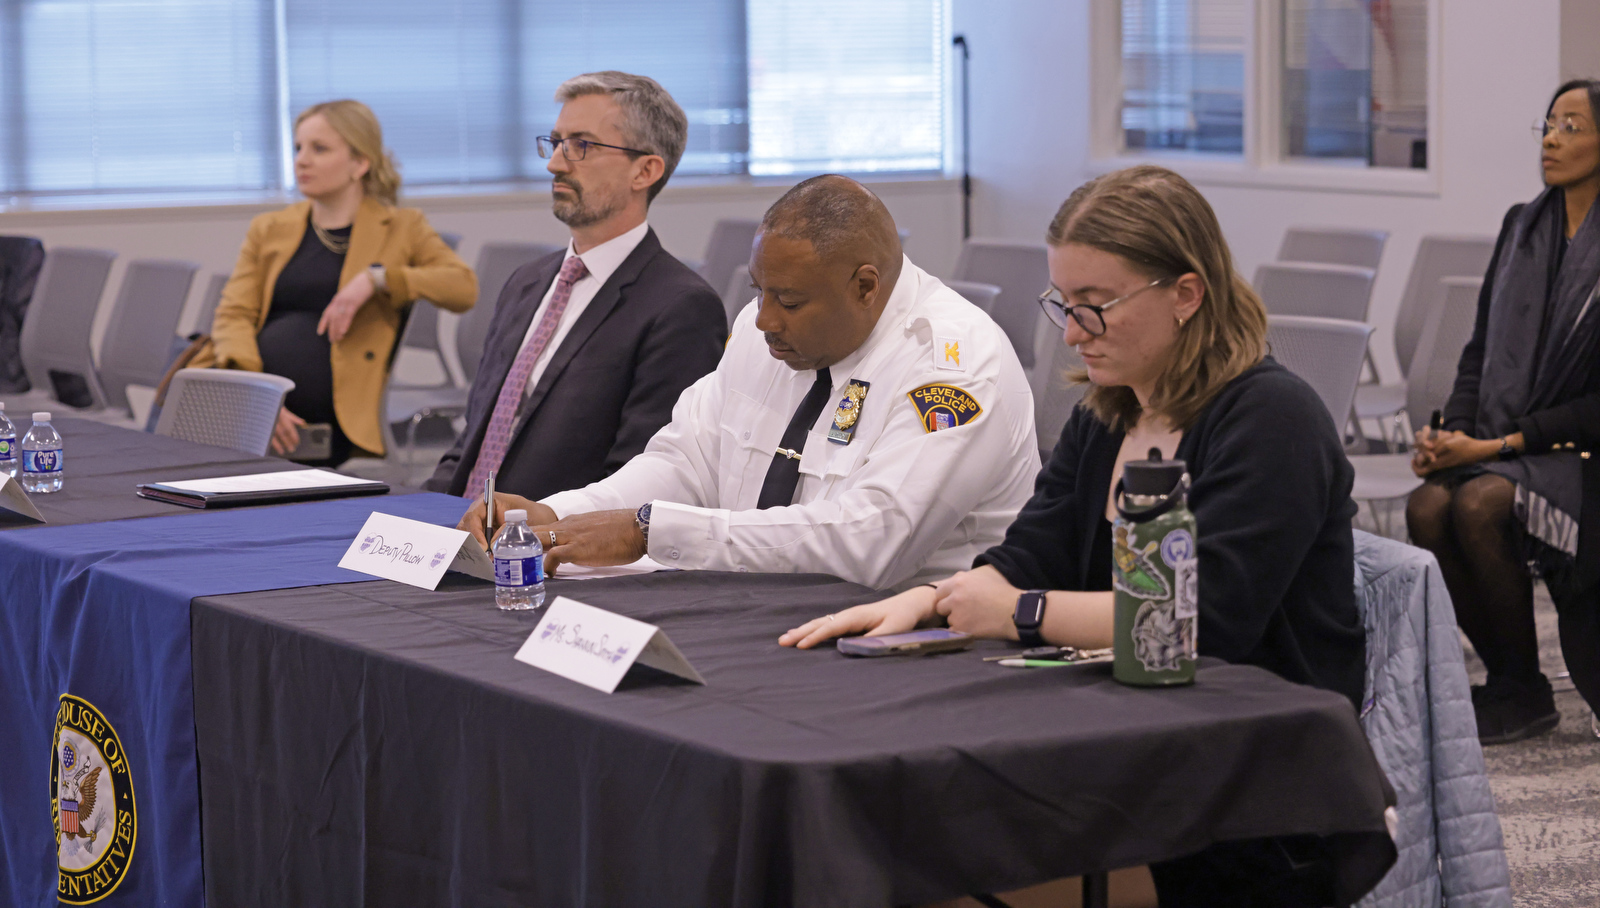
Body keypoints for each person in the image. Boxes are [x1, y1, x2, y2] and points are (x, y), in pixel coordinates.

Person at [781, 165, 1367, 905]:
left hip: (1250, 793)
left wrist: (1021, 613)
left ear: (1186, 294)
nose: (1074, 331)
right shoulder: (1109, 412)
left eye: (1097, 306)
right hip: (1132, 747)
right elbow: (1028, 553)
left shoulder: (1273, 420)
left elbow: (1195, 624)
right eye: (1064, 303)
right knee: (887, 850)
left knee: (921, 878)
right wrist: (935, 598)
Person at [458, 174, 1039, 590]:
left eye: (787, 300)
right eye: (760, 291)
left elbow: (872, 542)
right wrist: (563, 516)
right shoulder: (767, 330)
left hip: (909, 640)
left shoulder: (952, 366)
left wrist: (652, 532)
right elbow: (688, 461)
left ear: (866, 286)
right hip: (758, 610)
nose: (763, 319)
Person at [423, 72, 726, 500]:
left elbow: (642, 480)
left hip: (552, 551)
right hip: (462, 530)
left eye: (580, 145)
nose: (555, 163)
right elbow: (473, 441)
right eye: (556, 141)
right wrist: (424, 517)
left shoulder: (681, 308)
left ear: (645, 170)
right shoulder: (526, 283)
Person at [1407, 79, 1600, 744]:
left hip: (1580, 458)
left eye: (1572, 126)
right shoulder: (1522, 225)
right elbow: (1481, 348)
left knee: (1480, 503)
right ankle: (1518, 684)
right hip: (1510, 446)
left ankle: (1521, 686)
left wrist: (1495, 449)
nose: (1551, 139)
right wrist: (1452, 433)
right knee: (1427, 505)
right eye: (1548, 124)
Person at [204, 99, 477, 466]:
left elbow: (462, 287)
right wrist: (259, 398)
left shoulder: (402, 227)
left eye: (319, 149)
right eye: (299, 147)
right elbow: (233, 315)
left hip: (337, 419)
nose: (301, 159)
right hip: (257, 408)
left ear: (359, 163)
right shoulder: (269, 229)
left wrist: (377, 279)